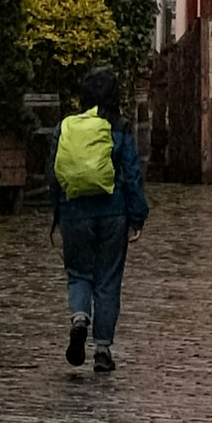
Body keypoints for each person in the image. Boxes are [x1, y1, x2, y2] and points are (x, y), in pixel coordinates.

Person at [52, 78, 150, 380]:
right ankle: (103, 350)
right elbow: (132, 174)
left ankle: (80, 317)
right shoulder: (119, 127)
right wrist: (138, 216)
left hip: (75, 212)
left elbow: (54, 173)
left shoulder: (66, 127)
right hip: (113, 212)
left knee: (79, 273)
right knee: (108, 281)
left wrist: (58, 215)